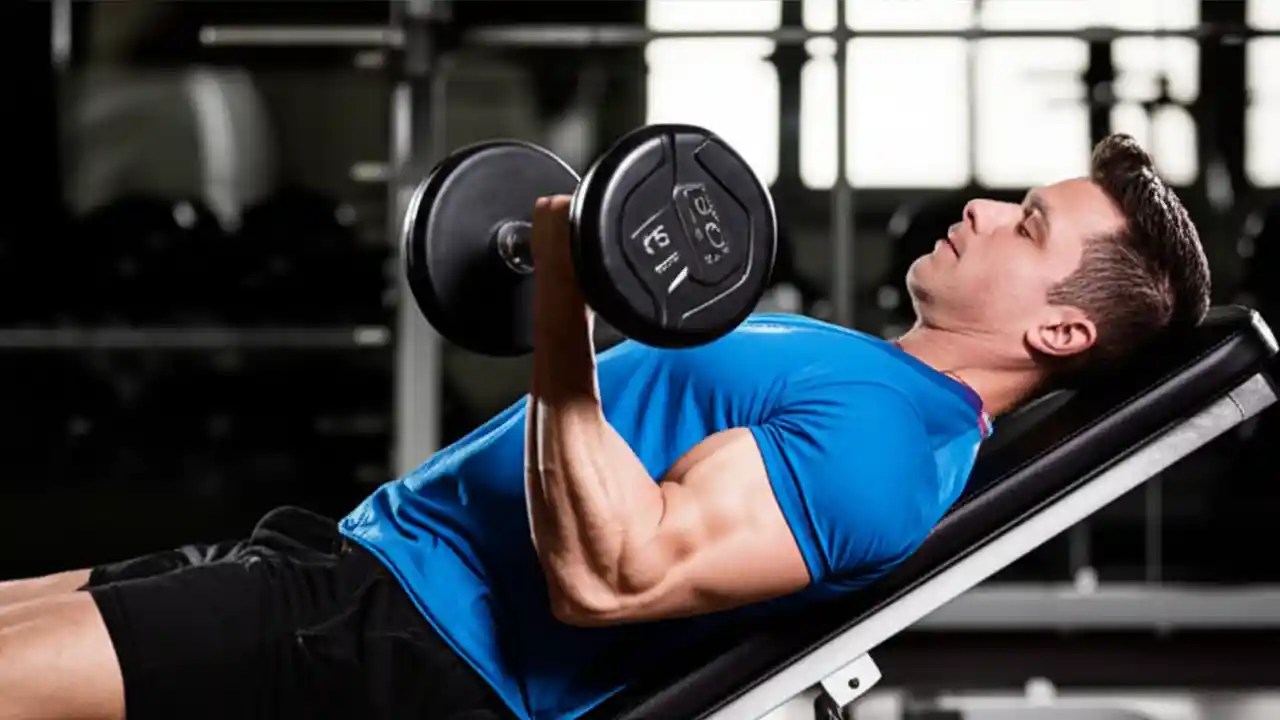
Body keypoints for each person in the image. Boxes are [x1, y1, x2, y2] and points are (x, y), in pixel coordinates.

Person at [0, 133, 1211, 720]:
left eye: (1029, 227)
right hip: (355, 575)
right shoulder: (863, 371)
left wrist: (562, 296)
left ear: (1059, 333)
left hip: (409, 655)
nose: (984, 206)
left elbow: (614, 573)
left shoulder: (885, 456)